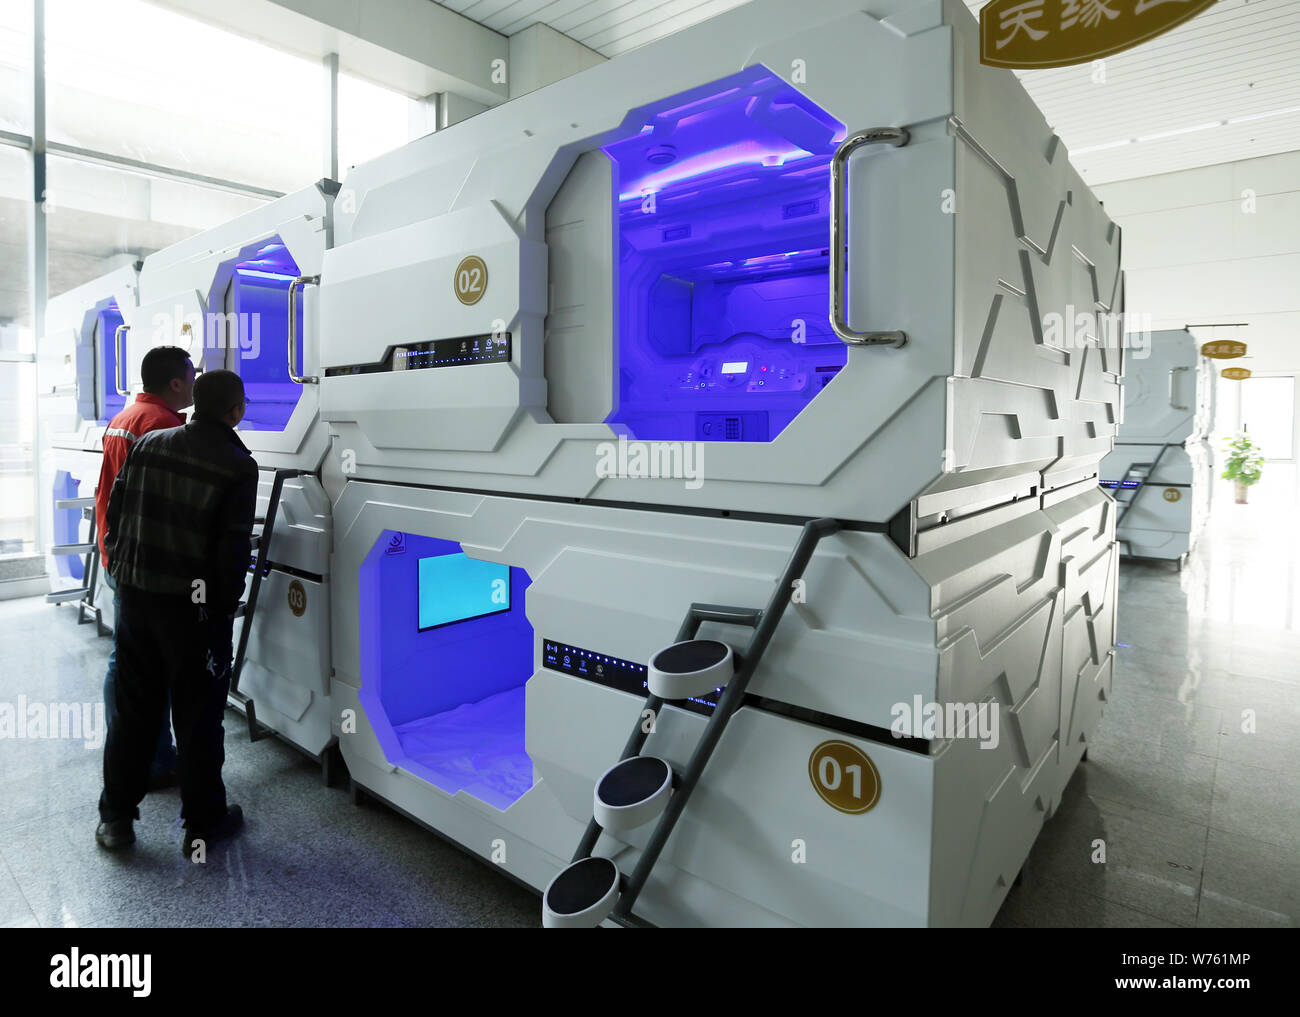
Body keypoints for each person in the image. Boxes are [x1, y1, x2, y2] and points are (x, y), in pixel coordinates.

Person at [96, 369, 257, 856]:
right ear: (235, 412)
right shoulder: (237, 464)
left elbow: (116, 512)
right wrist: (220, 613)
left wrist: (125, 573)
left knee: (133, 712)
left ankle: (116, 820)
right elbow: (231, 552)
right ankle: (202, 826)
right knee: (198, 717)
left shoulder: (152, 443)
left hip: (137, 600)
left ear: (194, 403)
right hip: (192, 613)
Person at [96, 346, 194, 790]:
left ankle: (132, 752)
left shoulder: (125, 417)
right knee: (149, 666)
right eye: (191, 377)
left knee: (126, 658)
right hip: (144, 563)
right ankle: (153, 761)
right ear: (174, 383)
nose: (193, 384)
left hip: (115, 550)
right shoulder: (163, 425)